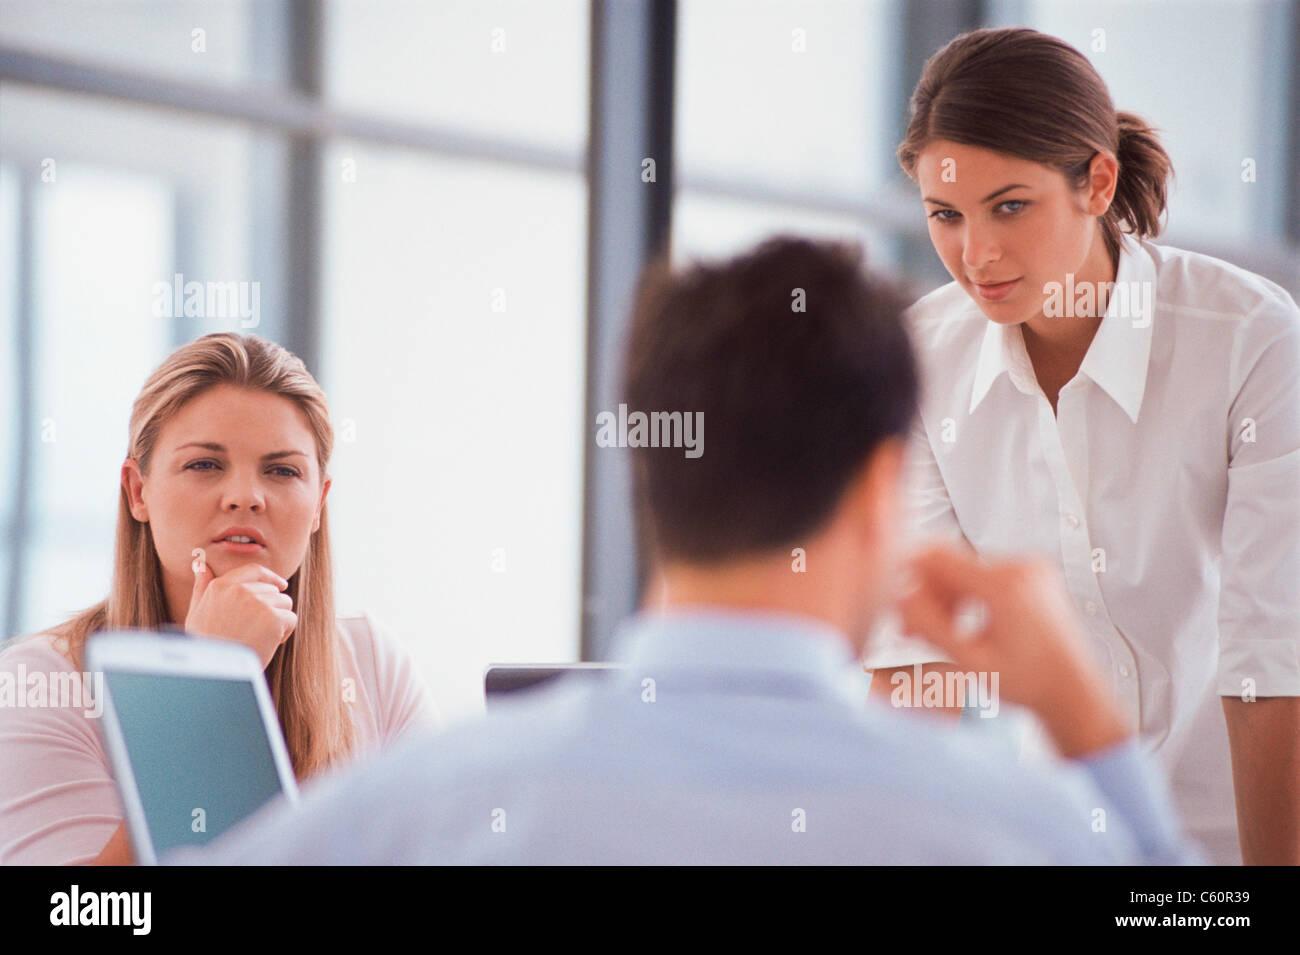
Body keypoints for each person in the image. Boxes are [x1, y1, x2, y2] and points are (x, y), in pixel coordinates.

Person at [174, 238, 1197, 865]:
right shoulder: (1017, 828)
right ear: (884, 486)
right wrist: (1087, 725)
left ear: (649, 471)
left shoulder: (410, 812)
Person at [863, 27, 1300, 865]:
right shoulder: (921, 356)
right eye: (945, 216)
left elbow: (1268, 665)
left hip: (1231, 846)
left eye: (1011, 206)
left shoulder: (1249, 339)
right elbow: (921, 666)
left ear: (1097, 181)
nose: (976, 254)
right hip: (1056, 843)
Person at [0, 333, 440, 865]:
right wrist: (205, 693)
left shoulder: (370, 662)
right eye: (205, 465)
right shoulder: (42, 682)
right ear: (138, 491)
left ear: (320, 502)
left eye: (282, 471)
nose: (246, 496)